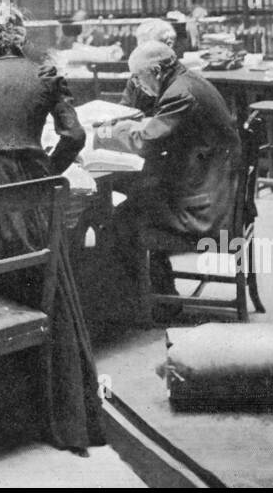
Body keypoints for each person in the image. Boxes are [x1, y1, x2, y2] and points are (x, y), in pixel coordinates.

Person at [0, 4, 105, 453]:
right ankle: (58, 408)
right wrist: (46, 173)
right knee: (46, 283)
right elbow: (73, 137)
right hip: (36, 187)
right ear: (20, 35)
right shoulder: (47, 76)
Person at [95, 40, 241, 300]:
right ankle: (158, 292)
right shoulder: (189, 81)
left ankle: (147, 302)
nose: (137, 85)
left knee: (121, 219)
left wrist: (113, 131)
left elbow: (145, 143)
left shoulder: (180, 93)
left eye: (138, 78)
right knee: (137, 200)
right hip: (213, 187)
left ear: (156, 72)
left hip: (204, 208)